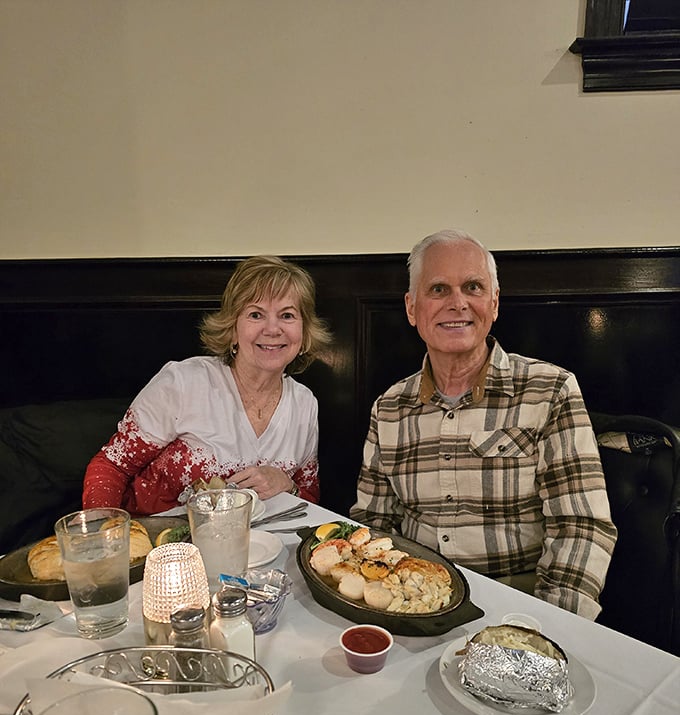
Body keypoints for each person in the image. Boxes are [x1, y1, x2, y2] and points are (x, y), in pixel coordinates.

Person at [350, 229, 617, 619]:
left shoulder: (551, 390)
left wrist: (551, 627)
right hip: (410, 603)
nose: (457, 303)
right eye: (438, 289)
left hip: (520, 606)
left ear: (493, 303)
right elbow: (372, 524)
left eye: (472, 287)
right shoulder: (389, 407)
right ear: (412, 308)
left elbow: (582, 526)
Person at [83, 255, 332, 515]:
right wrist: (106, 539)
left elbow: (308, 502)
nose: (272, 329)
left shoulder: (305, 403)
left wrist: (288, 486)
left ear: (304, 335)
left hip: (259, 549)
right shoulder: (183, 383)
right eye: (256, 314)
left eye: (287, 315)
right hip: (160, 542)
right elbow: (111, 466)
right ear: (233, 329)